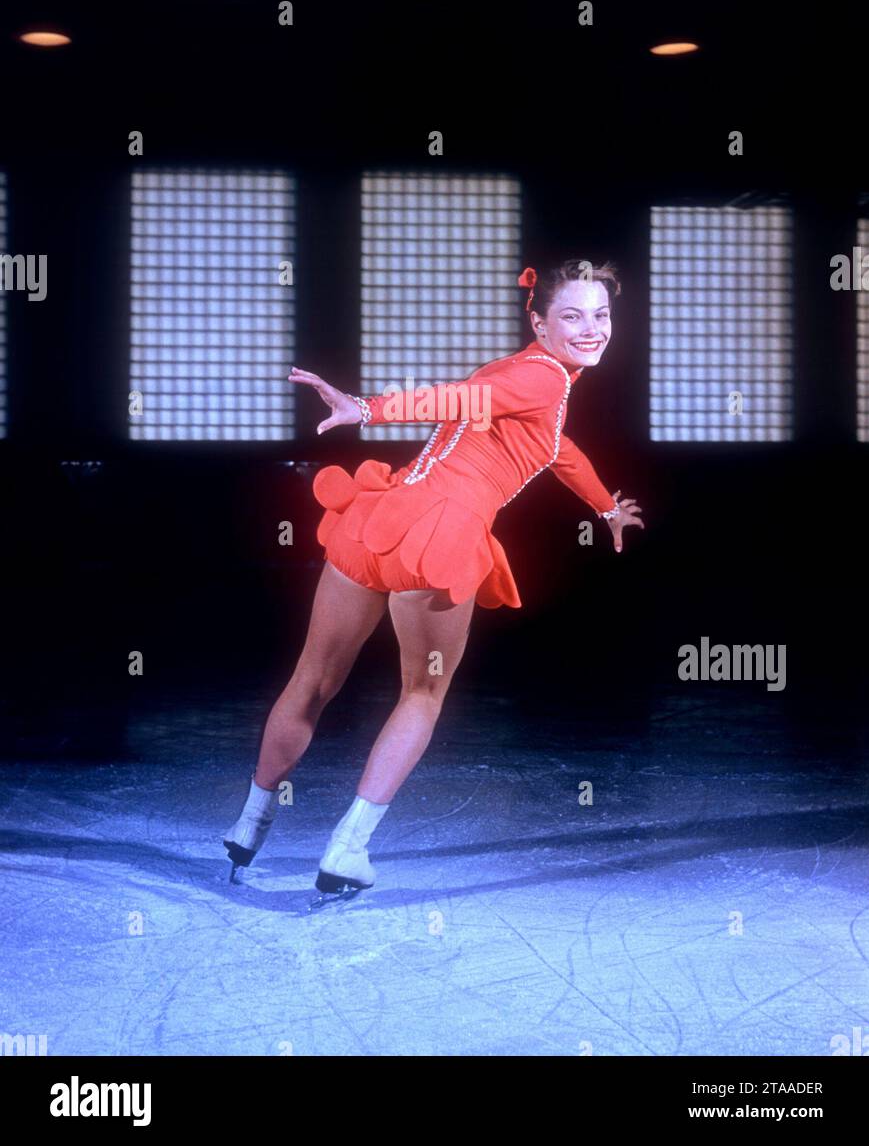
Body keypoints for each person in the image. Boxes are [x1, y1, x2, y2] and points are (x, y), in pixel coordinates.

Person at [223, 259, 644, 900]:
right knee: (421, 693)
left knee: (312, 679)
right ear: (540, 321)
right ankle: (348, 848)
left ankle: (250, 822)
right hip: (439, 538)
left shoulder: (532, 379)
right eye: (573, 316)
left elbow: (558, 450)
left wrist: (606, 507)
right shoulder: (539, 377)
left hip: (380, 516)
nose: (591, 329)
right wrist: (366, 407)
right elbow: (454, 399)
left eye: (601, 315)